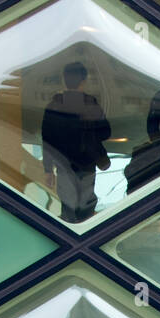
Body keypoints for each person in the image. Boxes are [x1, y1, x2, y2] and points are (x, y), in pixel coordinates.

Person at [41, 61, 112, 222]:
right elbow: (106, 132)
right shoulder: (90, 104)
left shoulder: (54, 105)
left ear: (64, 80)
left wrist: (48, 169)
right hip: (87, 163)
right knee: (86, 205)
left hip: (63, 164)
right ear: (83, 81)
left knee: (68, 207)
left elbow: (47, 141)